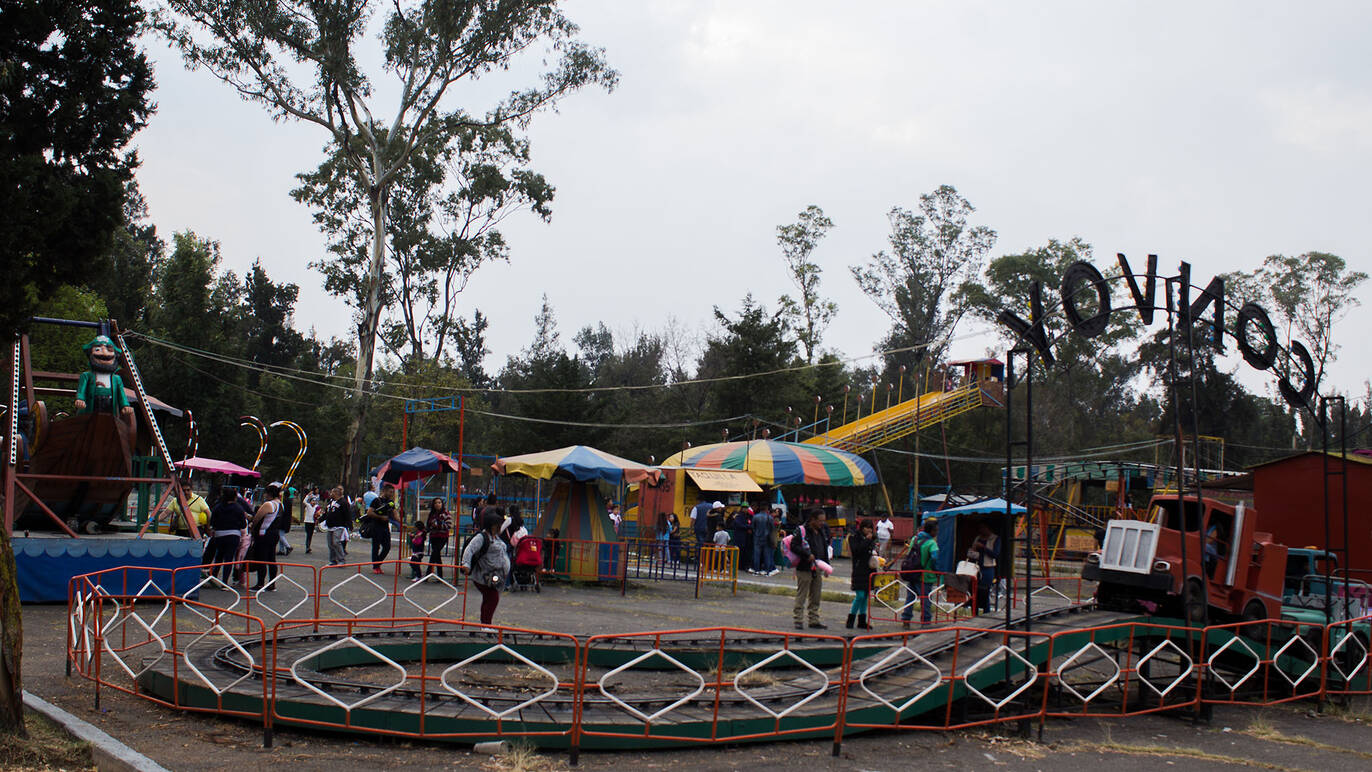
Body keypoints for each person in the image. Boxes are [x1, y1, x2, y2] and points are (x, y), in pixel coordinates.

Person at [462, 509, 511, 626]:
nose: (500, 527)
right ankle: (486, 624)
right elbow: (469, 550)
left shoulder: (496, 537)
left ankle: (485, 624)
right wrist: (466, 564)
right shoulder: (482, 537)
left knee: (489, 599)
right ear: (492, 525)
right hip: (484, 575)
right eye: (497, 525)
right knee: (493, 598)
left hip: (496, 575)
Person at [791, 509, 830, 630]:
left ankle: (814, 619)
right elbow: (794, 546)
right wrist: (807, 555)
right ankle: (798, 619)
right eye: (820, 521)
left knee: (816, 595)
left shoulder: (821, 531)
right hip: (804, 567)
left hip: (817, 567)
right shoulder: (802, 531)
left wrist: (826, 566)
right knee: (802, 594)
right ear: (812, 519)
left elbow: (824, 548)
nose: (822, 523)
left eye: (823, 521)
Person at [899, 518, 940, 628]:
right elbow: (935, 558)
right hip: (925, 576)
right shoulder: (932, 543)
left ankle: (906, 619)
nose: (937, 533)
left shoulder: (915, 539)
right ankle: (925, 622)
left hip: (912, 573)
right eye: (936, 531)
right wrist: (937, 571)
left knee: (910, 598)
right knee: (925, 599)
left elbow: (909, 553)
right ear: (932, 531)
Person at [203, 488, 246, 583]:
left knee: (218, 557)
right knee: (229, 559)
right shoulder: (238, 508)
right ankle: (224, 583)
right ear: (235, 497)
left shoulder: (218, 507)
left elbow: (212, 521)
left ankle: (213, 577)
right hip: (233, 535)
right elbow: (243, 524)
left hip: (219, 535)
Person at [248, 483, 285, 591]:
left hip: (264, 533)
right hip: (275, 533)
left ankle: (260, 584)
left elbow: (257, 518)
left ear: (269, 494)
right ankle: (272, 584)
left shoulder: (268, 504)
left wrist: (252, 527)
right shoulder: (280, 504)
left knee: (261, 559)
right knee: (271, 559)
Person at [848, 519, 878, 631]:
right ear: (862, 528)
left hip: (869, 570)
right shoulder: (854, 537)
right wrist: (866, 540)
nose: (869, 530)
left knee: (865, 596)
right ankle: (851, 618)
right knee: (859, 595)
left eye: (870, 528)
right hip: (858, 570)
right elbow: (857, 551)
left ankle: (862, 620)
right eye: (866, 527)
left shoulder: (872, 539)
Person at [366, 485, 400, 574]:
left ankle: (378, 563)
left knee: (387, 547)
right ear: (384, 491)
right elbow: (369, 512)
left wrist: (401, 522)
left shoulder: (391, 502)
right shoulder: (376, 501)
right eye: (390, 492)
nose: (391, 494)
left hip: (385, 527)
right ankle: (375, 566)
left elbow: (395, 513)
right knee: (376, 547)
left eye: (393, 492)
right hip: (376, 526)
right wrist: (380, 517)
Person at [970, 521, 1001, 614]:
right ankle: (974, 612)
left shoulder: (995, 539)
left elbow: (995, 554)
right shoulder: (978, 538)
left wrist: (983, 547)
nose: (981, 530)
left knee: (985, 591)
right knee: (974, 591)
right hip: (976, 567)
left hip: (988, 567)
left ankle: (986, 612)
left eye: (983, 528)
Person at [321, 485, 353, 566]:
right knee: (330, 544)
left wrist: (350, 525)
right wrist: (320, 519)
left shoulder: (343, 502)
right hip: (330, 526)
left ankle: (341, 560)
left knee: (336, 542)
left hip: (339, 526)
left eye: (332, 492)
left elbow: (348, 514)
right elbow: (326, 513)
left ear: (336, 493)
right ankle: (332, 560)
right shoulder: (330, 502)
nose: (330, 494)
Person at [426, 498, 452, 579]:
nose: (437, 504)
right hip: (434, 537)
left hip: (442, 537)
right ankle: (440, 576)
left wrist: (438, 525)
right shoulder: (432, 514)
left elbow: (449, 525)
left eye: (439, 502)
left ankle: (427, 574)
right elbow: (428, 525)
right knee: (437, 556)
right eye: (436, 503)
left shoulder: (445, 514)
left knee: (434, 554)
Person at [751, 505, 775, 575]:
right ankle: (767, 571)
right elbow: (772, 528)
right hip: (767, 538)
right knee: (767, 555)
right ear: (766, 509)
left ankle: (756, 570)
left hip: (757, 538)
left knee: (756, 555)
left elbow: (753, 527)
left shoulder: (755, 517)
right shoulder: (769, 518)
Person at [408, 517, 428, 581]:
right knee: (415, 563)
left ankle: (418, 576)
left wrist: (413, 538)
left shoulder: (421, 533)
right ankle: (418, 575)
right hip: (417, 551)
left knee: (414, 563)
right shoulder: (419, 533)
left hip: (418, 552)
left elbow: (417, 542)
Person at [302, 486, 320, 554]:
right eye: (312, 501)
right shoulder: (308, 506)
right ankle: (307, 547)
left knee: (310, 535)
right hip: (307, 521)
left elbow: (318, 514)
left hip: (312, 522)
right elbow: (304, 501)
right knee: (308, 534)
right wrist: (308, 495)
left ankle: (308, 547)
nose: (313, 502)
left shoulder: (316, 507)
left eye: (314, 501)